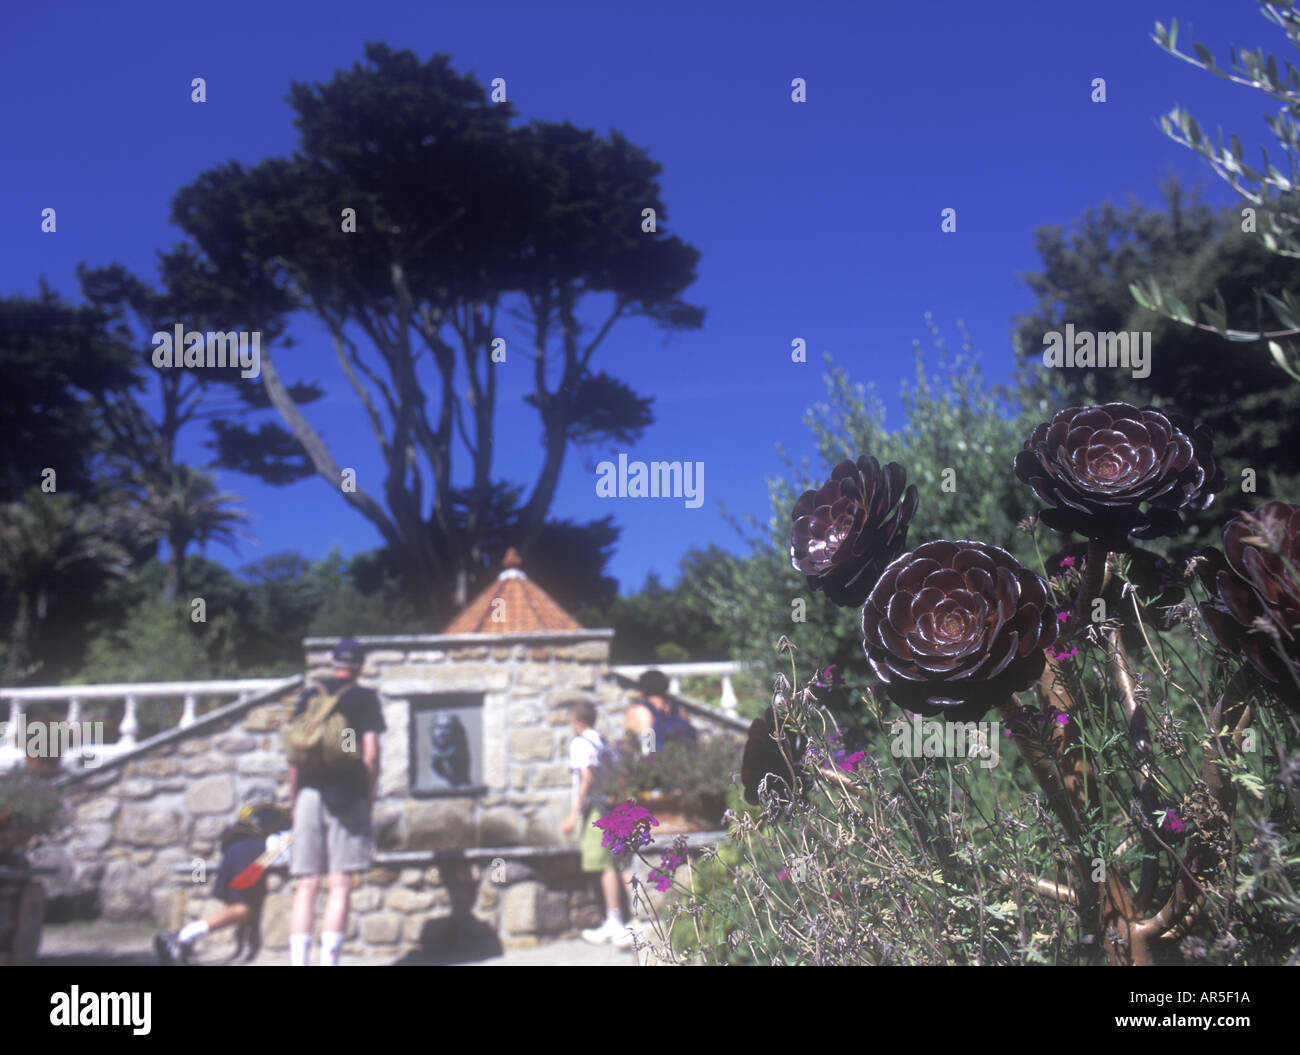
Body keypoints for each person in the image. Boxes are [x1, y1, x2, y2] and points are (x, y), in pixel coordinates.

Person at [286, 636, 385, 966]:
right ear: (361, 666)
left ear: (332, 663)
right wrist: (368, 796)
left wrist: (294, 800)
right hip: (347, 795)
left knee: (307, 884)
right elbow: (369, 754)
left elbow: (295, 756)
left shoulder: (310, 696)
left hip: (308, 794)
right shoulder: (364, 698)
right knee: (340, 884)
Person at [154, 803, 292, 965]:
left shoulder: (269, 817)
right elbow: (281, 850)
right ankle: (182, 937)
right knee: (241, 910)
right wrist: (265, 862)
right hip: (253, 852)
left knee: (238, 910)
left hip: (237, 850)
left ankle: (182, 936)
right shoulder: (287, 824)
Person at [561, 699, 633, 948]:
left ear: (579, 722)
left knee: (605, 865)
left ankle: (614, 920)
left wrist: (573, 814)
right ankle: (637, 917)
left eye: (571, 721)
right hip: (613, 807)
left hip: (595, 810)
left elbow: (586, 777)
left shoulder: (580, 744)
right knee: (621, 861)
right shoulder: (604, 742)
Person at [624, 669, 697, 753]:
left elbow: (641, 747)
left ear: (642, 690)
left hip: (655, 763)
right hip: (684, 762)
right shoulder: (680, 710)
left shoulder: (640, 711)